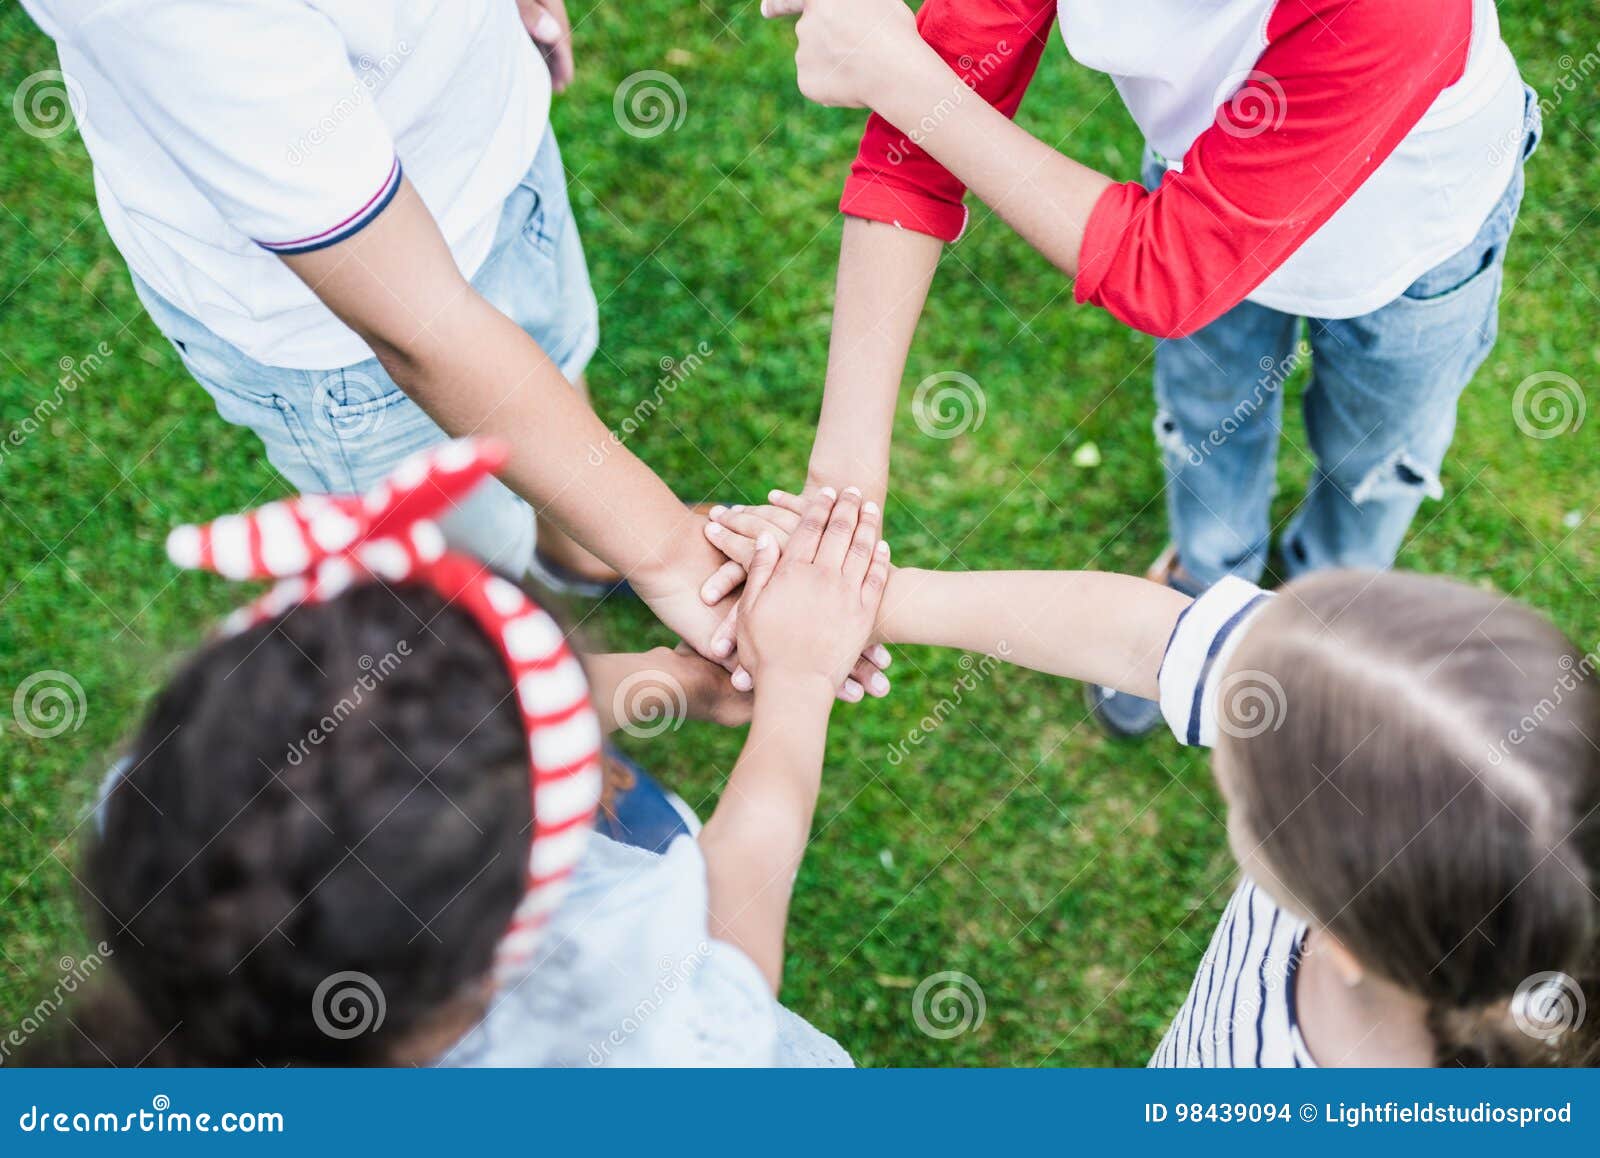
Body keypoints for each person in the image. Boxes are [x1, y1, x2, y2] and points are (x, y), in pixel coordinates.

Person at [16, 0, 885, 702]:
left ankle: (574, 548)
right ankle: (517, 694)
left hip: (491, 164)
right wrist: (672, 557)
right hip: (342, 337)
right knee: (463, 583)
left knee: (553, 370)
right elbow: (417, 327)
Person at [744, 0, 1540, 734]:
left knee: (1376, 453)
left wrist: (893, 70)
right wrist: (843, 481)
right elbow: (925, 135)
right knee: (1207, 413)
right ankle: (1204, 585)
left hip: (1417, 243)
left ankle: (1332, 605)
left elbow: (1163, 268)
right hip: (1207, 173)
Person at [23, 441, 889, 1067]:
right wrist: (798, 684)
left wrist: (679, 680)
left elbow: (442, 721)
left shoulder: (176, 805)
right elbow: (735, 915)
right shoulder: (655, 1039)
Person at [711, 495, 1600, 1066]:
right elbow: (1143, 637)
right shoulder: (1395, 778)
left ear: (1338, 935)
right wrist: (866, 598)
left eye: (1240, 781)